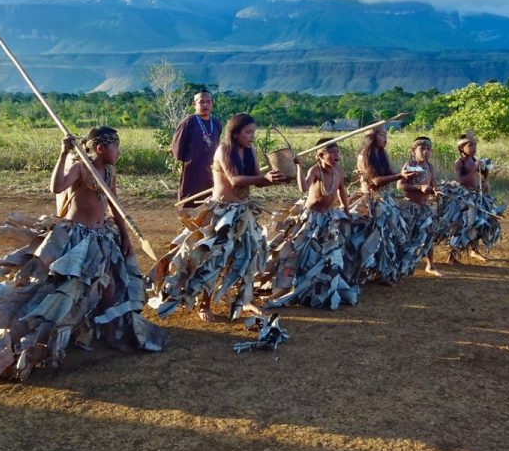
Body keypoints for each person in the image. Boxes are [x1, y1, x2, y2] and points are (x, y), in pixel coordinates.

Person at [0, 126, 168, 381]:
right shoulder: (80, 167)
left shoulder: (108, 171)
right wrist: (63, 153)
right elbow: (56, 187)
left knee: (109, 288)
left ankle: (110, 333)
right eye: (116, 147)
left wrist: (125, 235)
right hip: (76, 239)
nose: (119, 152)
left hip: (102, 237)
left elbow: (115, 204)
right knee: (63, 291)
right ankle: (25, 340)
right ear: (100, 148)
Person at [148, 113, 287, 322]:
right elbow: (235, 180)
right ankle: (204, 302)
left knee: (248, 257)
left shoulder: (249, 151)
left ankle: (245, 299)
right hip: (222, 214)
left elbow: (258, 182)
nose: (252, 136)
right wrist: (262, 177)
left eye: (253, 132)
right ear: (235, 132)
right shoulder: (223, 150)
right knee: (213, 259)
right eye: (248, 132)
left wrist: (274, 178)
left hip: (243, 213)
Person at [260, 138, 359, 309]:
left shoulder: (339, 172)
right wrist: (299, 165)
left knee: (325, 255)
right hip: (311, 219)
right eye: (332, 152)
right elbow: (303, 188)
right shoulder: (315, 171)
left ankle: (316, 290)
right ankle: (289, 287)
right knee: (300, 254)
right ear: (321, 154)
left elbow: (342, 192)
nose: (337, 155)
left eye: (338, 151)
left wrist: (346, 209)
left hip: (328, 219)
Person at [348, 125, 417, 285]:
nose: (385, 138)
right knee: (370, 237)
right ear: (372, 137)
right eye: (382, 135)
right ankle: (362, 271)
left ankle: (381, 271)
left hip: (384, 200)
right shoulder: (364, 155)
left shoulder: (382, 154)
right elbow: (375, 181)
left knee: (387, 237)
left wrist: (403, 175)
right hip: (369, 201)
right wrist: (399, 175)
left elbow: (388, 175)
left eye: (386, 134)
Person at [437, 130, 505, 264]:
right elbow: (461, 181)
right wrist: (474, 169)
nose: (474, 148)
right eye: (470, 146)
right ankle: (451, 255)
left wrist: (485, 169)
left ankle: (474, 250)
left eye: (475, 145)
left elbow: (482, 177)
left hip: (477, 196)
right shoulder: (459, 162)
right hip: (465, 198)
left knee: (480, 224)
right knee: (462, 226)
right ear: (462, 148)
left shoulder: (474, 160)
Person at [398, 136, 441, 276]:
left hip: (424, 206)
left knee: (429, 234)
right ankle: (401, 265)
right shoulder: (410, 165)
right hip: (410, 207)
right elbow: (400, 185)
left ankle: (430, 265)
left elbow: (434, 184)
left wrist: (435, 191)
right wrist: (419, 187)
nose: (425, 152)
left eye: (428, 149)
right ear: (414, 150)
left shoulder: (430, 166)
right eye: (422, 148)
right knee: (407, 236)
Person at [171, 90, 222, 208]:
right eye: (201, 102)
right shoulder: (188, 123)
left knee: (211, 202)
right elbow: (178, 149)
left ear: (212, 104)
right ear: (194, 104)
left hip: (211, 171)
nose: (205, 105)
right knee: (189, 201)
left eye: (208, 102)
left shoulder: (216, 123)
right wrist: (191, 160)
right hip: (192, 171)